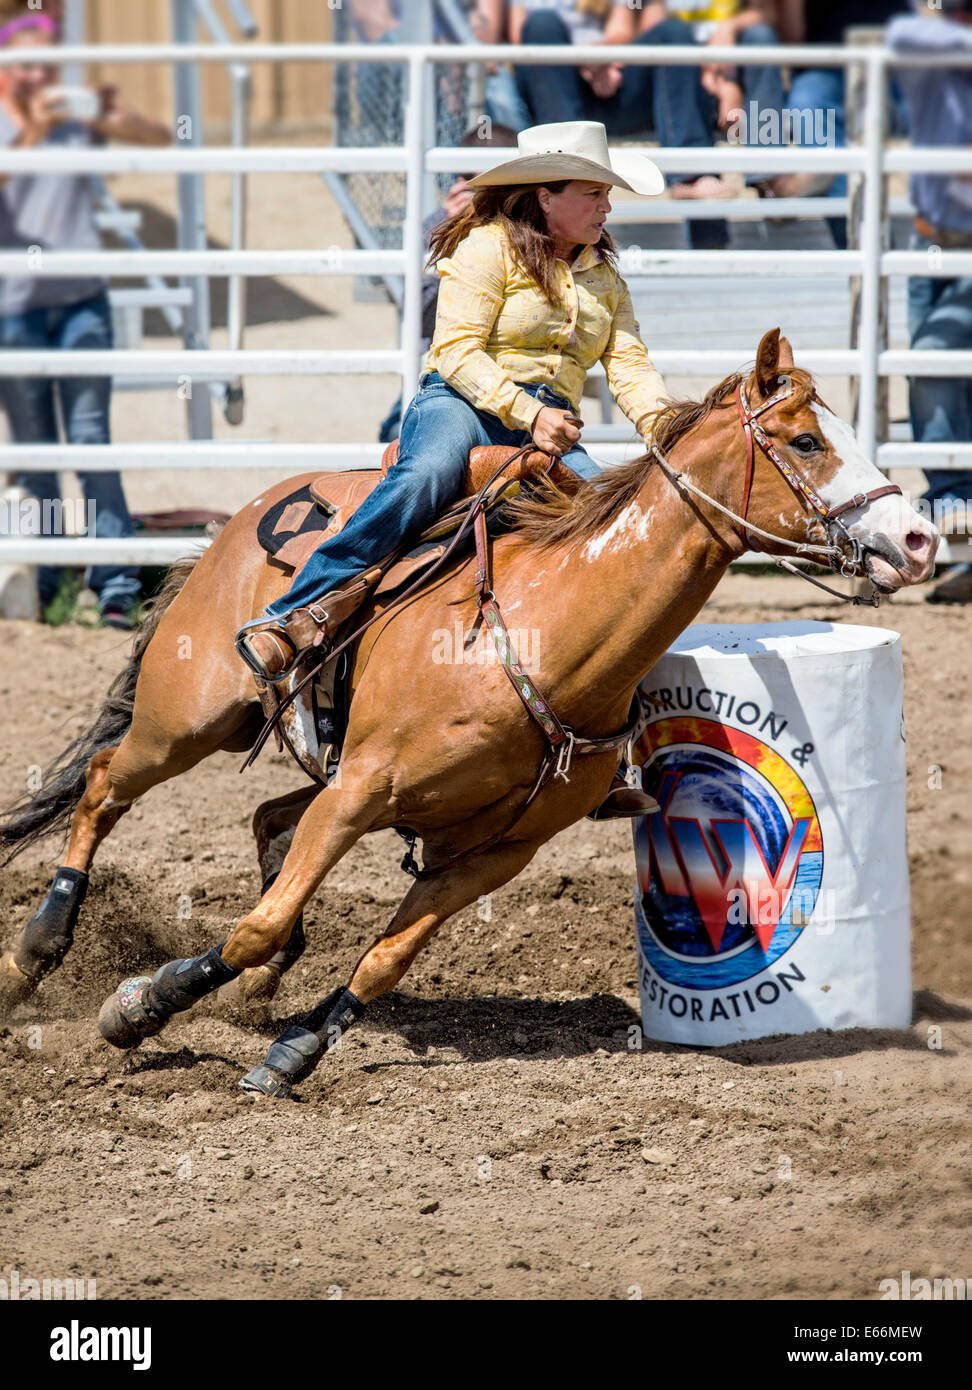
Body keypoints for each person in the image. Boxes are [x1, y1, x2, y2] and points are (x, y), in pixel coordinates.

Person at [238, 120, 669, 684]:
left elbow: (629, 363)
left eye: (607, 194)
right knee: (427, 473)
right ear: (546, 197)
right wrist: (531, 413)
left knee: (603, 512)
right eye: (594, 193)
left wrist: (665, 429)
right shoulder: (486, 247)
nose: (607, 207)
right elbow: (458, 353)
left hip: (546, 422)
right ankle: (299, 611)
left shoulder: (602, 276)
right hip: (462, 401)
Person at [0, 8, 170, 627]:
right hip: (13, 310)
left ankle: (116, 582)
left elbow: (162, 139)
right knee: (38, 451)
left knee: (92, 441)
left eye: (49, 60)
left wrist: (113, 114)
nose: (39, 72)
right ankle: (50, 581)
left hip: (80, 303)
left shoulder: (73, 122)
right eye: (27, 61)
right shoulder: (23, 126)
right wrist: (31, 136)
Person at [506, 1, 734, 248]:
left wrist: (603, 59)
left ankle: (691, 177)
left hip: (610, 76)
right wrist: (583, 63)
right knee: (542, 26)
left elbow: (621, 31)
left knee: (673, 32)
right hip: (553, 85)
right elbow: (522, 41)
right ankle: (565, 174)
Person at [888, 0, 972, 603]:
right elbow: (910, 32)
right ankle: (957, 534)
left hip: (950, 247)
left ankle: (959, 533)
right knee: (932, 375)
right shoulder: (924, 38)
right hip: (931, 242)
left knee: (934, 363)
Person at [378, 125, 519, 444]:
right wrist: (455, 234)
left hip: (514, 372)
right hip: (450, 372)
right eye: (479, 183)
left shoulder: (531, 230)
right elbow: (420, 318)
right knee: (393, 436)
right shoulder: (435, 228)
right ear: (461, 184)